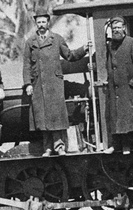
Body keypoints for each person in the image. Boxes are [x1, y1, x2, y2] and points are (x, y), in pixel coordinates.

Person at [22, 10, 91, 156]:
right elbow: (26, 65)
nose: (41, 25)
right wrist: (28, 84)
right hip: (38, 85)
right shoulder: (30, 42)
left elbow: (69, 56)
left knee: (57, 116)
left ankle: (59, 147)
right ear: (36, 24)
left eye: (43, 22)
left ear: (48, 23)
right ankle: (47, 148)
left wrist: (83, 49)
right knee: (43, 117)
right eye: (38, 22)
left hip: (54, 84)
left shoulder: (57, 39)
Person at [102, 17, 133, 154]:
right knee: (115, 117)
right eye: (114, 29)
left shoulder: (132, 43)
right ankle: (115, 145)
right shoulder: (110, 45)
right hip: (115, 89)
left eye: (119, 28)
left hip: (128, 88)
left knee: (127, 118)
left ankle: (126, 146)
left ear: (124, 28)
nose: (116, 31)